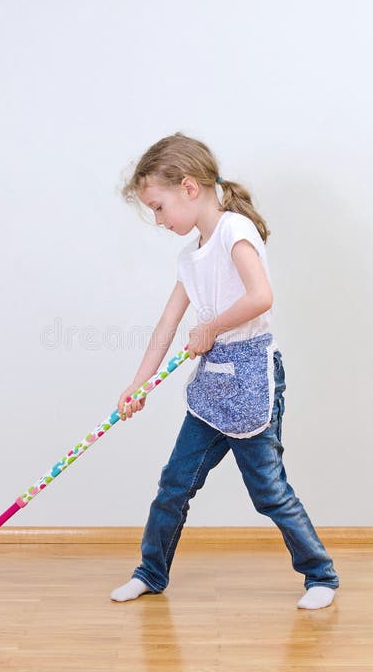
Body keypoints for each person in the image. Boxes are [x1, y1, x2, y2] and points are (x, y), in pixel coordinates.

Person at [111, 132, 339, 609]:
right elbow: (168, 323)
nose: (157, 220)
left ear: (189, 188)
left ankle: (321, 576)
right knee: (174, 485)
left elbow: (261, 296)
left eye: (158, 207)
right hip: (214, 385)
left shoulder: (236, 230)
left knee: (269, 493)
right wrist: (139, 384)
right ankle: (150, 572)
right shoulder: (189, 257)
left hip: (254, 376)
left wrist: (211, 326)